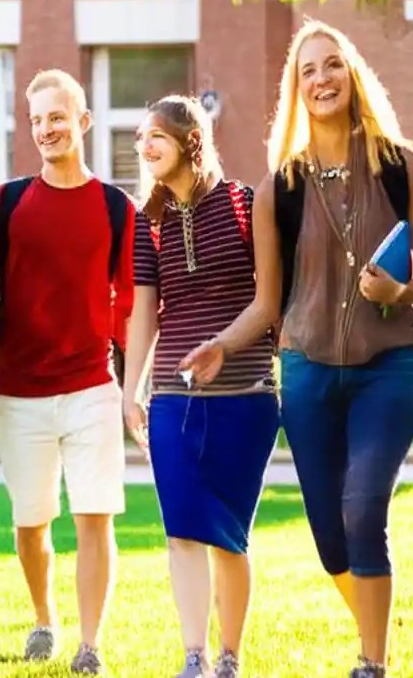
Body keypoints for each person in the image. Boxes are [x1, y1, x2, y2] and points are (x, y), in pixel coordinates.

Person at [183, 19, 413, 678]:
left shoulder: (403, 166)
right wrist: (221, 345)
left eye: (333, 65)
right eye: (308, 70)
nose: (322, 79)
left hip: (388, 367)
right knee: (330, 535)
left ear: (353, 74)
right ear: (295, 90)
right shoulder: (280, 189)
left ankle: (372, 663)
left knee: (364, 509)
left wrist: (401, 291)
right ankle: (376, 628)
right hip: (306, 373)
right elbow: (267, 304)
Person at [0, 69, 135, 676]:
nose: (47, 129)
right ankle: (44, 619)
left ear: (83, 122)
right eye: (37, 120)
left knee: (95, 515)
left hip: (92, 386)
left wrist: (134, 386)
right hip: (20, 390)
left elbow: (130, 303)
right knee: (31, 522)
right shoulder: (5, 203)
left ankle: (89, 645)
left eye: (57, 118)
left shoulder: (114, 207)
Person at [122, 96, 278, 678]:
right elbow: (144, 312)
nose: (143, 147)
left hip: (247, 396)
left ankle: (229, 656)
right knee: (182, 528)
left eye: (155, 136)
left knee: (230, 535)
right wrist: (131, 390)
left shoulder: (244, 204)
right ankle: (195, 655)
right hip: (173, 399)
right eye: (140, 138)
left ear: (191, 141)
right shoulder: (148, 222)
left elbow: (271, 299)